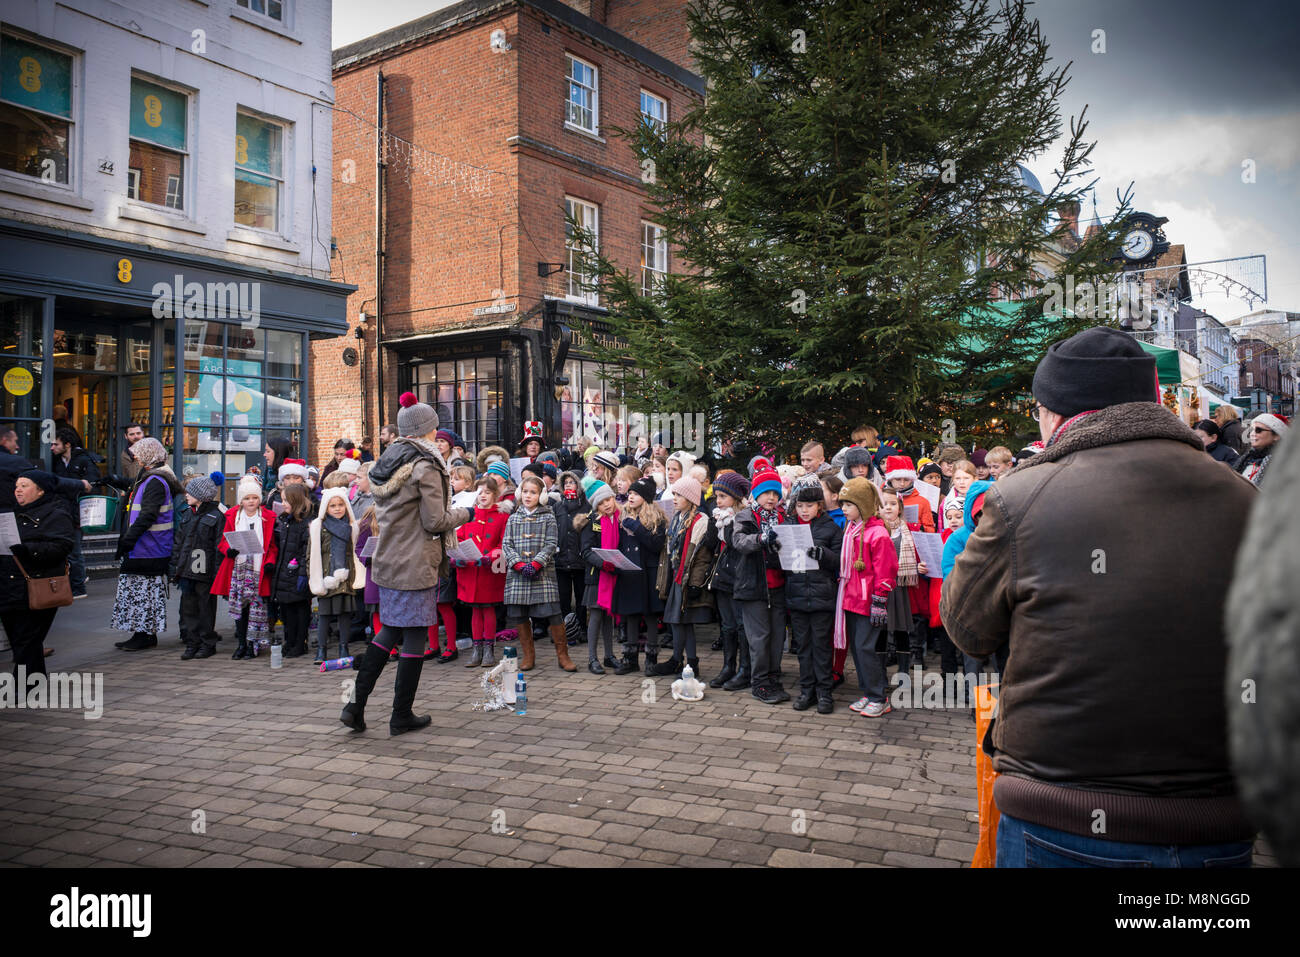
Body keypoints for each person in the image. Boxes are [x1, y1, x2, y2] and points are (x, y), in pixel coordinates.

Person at [942, 326, 1258, 868]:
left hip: (1063, 809)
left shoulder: (1019, 497)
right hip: (1216, 816)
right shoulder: (1244, 496)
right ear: (1152, 400)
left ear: (1051, 412)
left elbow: (968, 630)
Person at [341, 392, 474, 735]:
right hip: (416, 562)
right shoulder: (425, 467)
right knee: (411, 637)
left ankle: (355, 706)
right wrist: (468, 511)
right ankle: (399, 714)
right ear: (427, 430)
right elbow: (435, 521)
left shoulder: (387, 463)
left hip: (389, 559)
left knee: (390, 632)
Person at [111, 438, 184, 652]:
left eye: (139, 453)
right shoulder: (153, 477)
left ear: (149, 455)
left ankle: (144, 635)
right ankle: (141, 633)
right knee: (140, 592)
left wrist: (127, 540)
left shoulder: (155, 481)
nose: (136, 457)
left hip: (149, 548)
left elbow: (148, 515)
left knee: (143, 594)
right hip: (146, 547)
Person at [1, 470, 74, 681]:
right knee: (21, 640)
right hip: (9, 586)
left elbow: (62, 546)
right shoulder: (12, 514)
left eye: (25, 485)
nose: (18, 490)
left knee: (27, 639)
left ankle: (24, 684)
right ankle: (34, 681)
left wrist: (27, 549)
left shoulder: (56, 513)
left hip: (38, 585)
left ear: (41, 490)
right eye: (17, 486)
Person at [834, 479, 897, 718]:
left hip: (868, 601)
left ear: (862, 505)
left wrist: (879, 599)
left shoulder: (877, 534)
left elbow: (886, 569)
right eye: (843, 504)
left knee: (865, 648)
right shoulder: (851, 530)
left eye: (849, 504)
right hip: (851, 598)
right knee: (858, 650)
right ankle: (869, 692)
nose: (843, 509)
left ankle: (878, 696)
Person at [730, 468, 791, 704]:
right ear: (756, 494)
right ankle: (760, 682)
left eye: (775, 494)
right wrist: (761, 539)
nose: (771, 498)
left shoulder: (784, 517)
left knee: (777, 636)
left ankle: (773, 678)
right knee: (759, 637)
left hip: (778, 585)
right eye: (766, 493)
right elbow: (739, 541)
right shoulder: (746, 516)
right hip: (753, 585)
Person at [785, 482, 843, 713]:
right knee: (803, 647)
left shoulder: (829, 528)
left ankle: (825, 693)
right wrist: (774, 547)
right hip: (797, 595)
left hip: (822, 597)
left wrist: (824, 555)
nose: (804, 510)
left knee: (821, 647)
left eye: (809, 505)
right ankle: (807, 690)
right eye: (800, 506)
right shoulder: (788, 526)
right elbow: (779, 563)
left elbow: (840, 560)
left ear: (819, 506)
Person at [652, 477, 714, 679]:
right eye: (674, 494)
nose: (675, 498)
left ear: (691, 498)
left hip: (688, 578)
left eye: (679, 495)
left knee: (685, 621)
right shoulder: (677, 517)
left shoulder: (700, 521)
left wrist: (695, 583)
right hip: (677, 575)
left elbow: (701, 558)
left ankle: (692, 663)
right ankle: (677, 659)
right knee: (676, 621)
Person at [501, 474, 564, 672]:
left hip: (542, 574)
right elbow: (506, 544)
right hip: (518, 575)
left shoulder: (548, 517)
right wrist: (518, 565)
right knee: (520, 615)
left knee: (553, 614)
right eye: (525, 492)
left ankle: (563, 655)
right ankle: (528, 655)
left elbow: (551, 544)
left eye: (533, 492)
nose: (528, 496)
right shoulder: (513, 518)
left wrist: (536, 564)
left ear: (541, 496)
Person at [213, 474, 278, 660]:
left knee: (256, 609)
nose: (251, 501)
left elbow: (272, 546)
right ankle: (241, 643)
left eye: (255, 498)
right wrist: (228, 551)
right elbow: (224, 540)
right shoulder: (233, 515)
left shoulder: (267, 516)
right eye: (247, 498)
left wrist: (270, 561)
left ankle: (252, 644)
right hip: (238, 567)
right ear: (241, 500)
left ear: (260, 499)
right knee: (240, 608)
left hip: (258, 567)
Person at [612, 475, 667, 675]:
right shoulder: (623, 515)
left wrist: (637, 527)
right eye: (630, 493)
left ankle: (651, 658)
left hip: (649, 573)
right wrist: (617, 561)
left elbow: (656, 545)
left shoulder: (657, 518)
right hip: (629, 573)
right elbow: (619, 544)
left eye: (636, 493)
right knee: (631, 615)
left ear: (645, 496)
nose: (631, 496)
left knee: (651, 616)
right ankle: (630, 658)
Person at [453, 478, 510, 668]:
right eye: (480, 492)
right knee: (475, 610)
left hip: (489, 571)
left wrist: (493, 555)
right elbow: (458, 538)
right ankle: (476, 649)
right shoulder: (468, 514)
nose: (483, 495)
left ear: (495, 494)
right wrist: (456, 556)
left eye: (487, 492)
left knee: (488, 608)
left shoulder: (502, 516)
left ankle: (489, 650)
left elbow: (504, 542)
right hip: (470, 569)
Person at [168, 472, 225, 660]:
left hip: (205, 572)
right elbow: (179, 543)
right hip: (187, 571)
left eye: (190, 493)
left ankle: (207, 643)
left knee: (205, 609)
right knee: (189, 608)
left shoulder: (216, 516)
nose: (186, 495)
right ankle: (192, 643)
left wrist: (217, 573)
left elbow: (219, 547)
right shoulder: (187, 514)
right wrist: (175, 566)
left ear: (201, 496)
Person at [309, 488, 365, 662]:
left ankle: (343, 647)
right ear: (326, 507)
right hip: (327, 576)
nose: (337, 508)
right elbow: (312, 553)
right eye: (333, 505)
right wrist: (313, 575)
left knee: (345, 614)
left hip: (346, 575)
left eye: (341, 505)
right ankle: (321, 649)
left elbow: (355, 550)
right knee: (325, 614)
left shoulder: (351, 526)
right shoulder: (319, 526)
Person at [706, 471, 750, 689]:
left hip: (739, 579)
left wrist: (728, 523)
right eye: (717, 497)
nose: (719, 501)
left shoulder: (743, 518)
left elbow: (736, 544)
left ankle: (745, 670)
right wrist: (715, 525)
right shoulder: (719, 518)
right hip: (722, 576)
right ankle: (728, 666)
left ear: (735, 497)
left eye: (723, 496)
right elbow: (709, 543)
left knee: (742, 625)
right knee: (727, 626)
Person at [576, 478, 623, 674]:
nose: (607, 505)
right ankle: (592, 658)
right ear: (596, 505)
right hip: (597, 576)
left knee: (608, 618)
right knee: (595, 616)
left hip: (613, 574)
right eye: (602, 503)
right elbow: (585, 551)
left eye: (609, 500)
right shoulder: (591, 522)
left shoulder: (620, 518)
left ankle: (609, 655)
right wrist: (603, 563)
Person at [49, 427, 97, 599]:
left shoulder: (83, 460)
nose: (51, 447)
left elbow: (91, 484)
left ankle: (78, 588)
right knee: (68, 550)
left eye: (56, 444)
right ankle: (75, 581)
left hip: (77, 512)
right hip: (61, 511)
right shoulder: (57, 462)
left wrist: (68, 485)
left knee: (74, 551)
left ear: (67, 445)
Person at [271, 484, 313, 658]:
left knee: (300, 611)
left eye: (286, 500)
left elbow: (305, 552)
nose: (283, 504)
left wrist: (302, 573)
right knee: (286, 611)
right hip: (284, 574)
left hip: (297, 575)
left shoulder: (304, 524)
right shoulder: (284, 521)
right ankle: (289, 640)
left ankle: (300, 642)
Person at [1233, 413, 1287, 487]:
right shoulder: (1246, 458)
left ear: (1276, 436)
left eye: (1258, 430)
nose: (1252, 434)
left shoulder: (1284, 462)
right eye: (1251, 430)